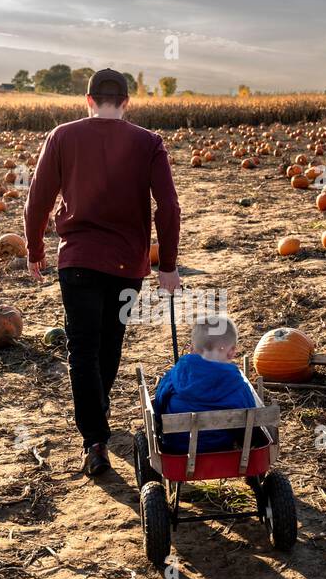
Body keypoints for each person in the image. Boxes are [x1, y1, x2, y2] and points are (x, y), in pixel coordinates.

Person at [24, 68, 181, 477]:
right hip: (128, 263)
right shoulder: (148, 142)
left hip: (77, 260)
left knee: (83, 350)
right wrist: (168, 265)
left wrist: (35, 248)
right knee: (110, 344)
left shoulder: (62, 136)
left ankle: (94, 440)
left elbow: (38, 198)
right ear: (126, 103)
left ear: (88, 100)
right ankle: (98, 418)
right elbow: (169, 206)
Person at [153, 315, 259, 454]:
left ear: (192, 348)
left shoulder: (177, 373)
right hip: (222, 447)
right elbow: (250, 415)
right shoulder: (236, 382)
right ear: (232, 352)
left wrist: (159, 420)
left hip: (177, 447)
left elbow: (160, 400)